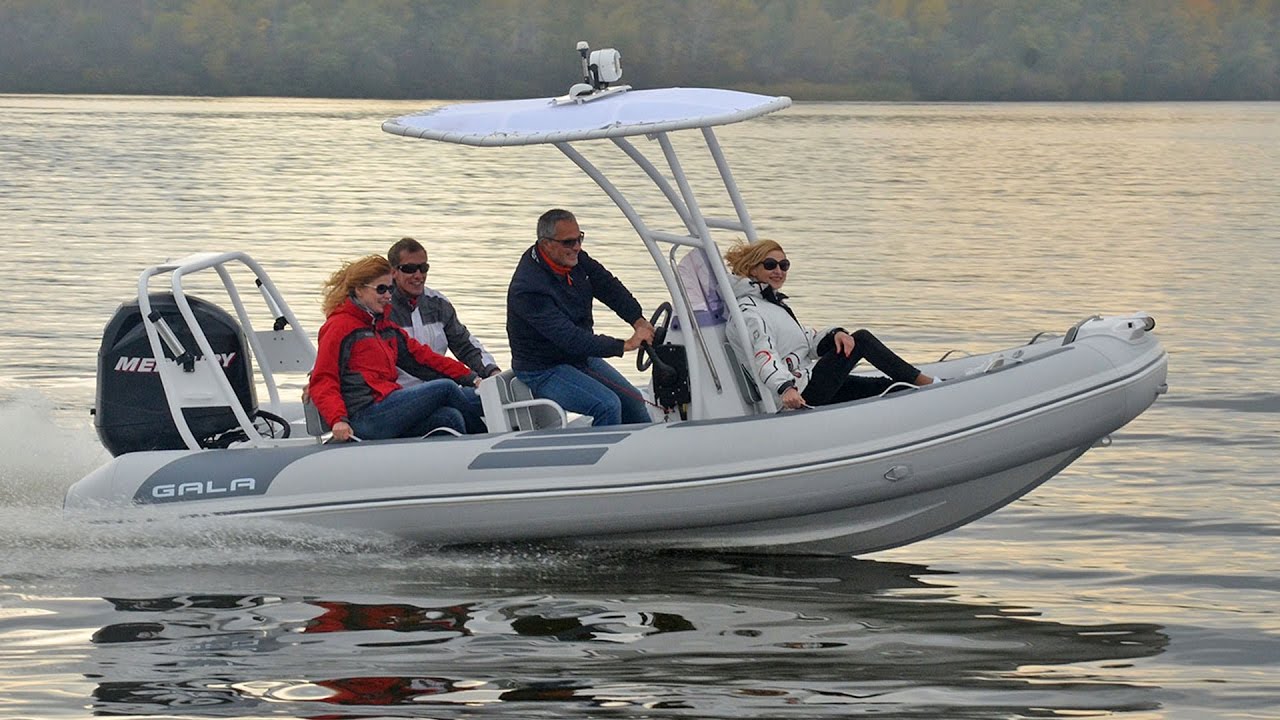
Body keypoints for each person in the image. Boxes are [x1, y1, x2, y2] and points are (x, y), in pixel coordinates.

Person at [723, 239, 936, 410]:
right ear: (752, 270)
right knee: (861, 339)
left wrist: (835, 335)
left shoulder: (771, 303)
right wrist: (785, 388)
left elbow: (804, 340)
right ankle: (929, 384)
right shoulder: (750, 311)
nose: (779, 270)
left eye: (784, 265)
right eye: (770, 265)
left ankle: (931, 391)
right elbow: (764, 355)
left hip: (807, 379)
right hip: (799, 392)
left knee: (888, 386)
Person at [309, 255, 486, 441]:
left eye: (390, 289)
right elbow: (323, 379)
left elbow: (424, 359)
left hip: (387, 405)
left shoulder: (384, 327)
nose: (388, 296)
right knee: (446, 388)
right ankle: (485, 440)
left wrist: (472, 378)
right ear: (359, 290)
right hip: (363, 416)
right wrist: (338, 420)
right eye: (381, 289)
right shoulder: (339, 327)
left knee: (450, 417)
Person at [506, 208, 655, 426]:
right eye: (568, 242)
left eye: (579, 239)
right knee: (607, 405)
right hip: (542, 368)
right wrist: (625, 345)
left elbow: (607, 286)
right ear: (546, 244)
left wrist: (638, 319)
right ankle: (602, 458)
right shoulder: (528, 289)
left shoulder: (575, 260)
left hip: (577, 356)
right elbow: (570, 338)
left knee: (634, 402)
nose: (576, 247)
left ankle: (642, 452)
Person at [386, 236, 501, 379]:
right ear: (393, 272)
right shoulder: (381, 306)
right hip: (397, 392)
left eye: (423, 268)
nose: (418, 275)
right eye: (410, 269)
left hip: (440, 387)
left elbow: (465, 346)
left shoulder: (438, 304)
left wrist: (492, 372)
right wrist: (469, 379)